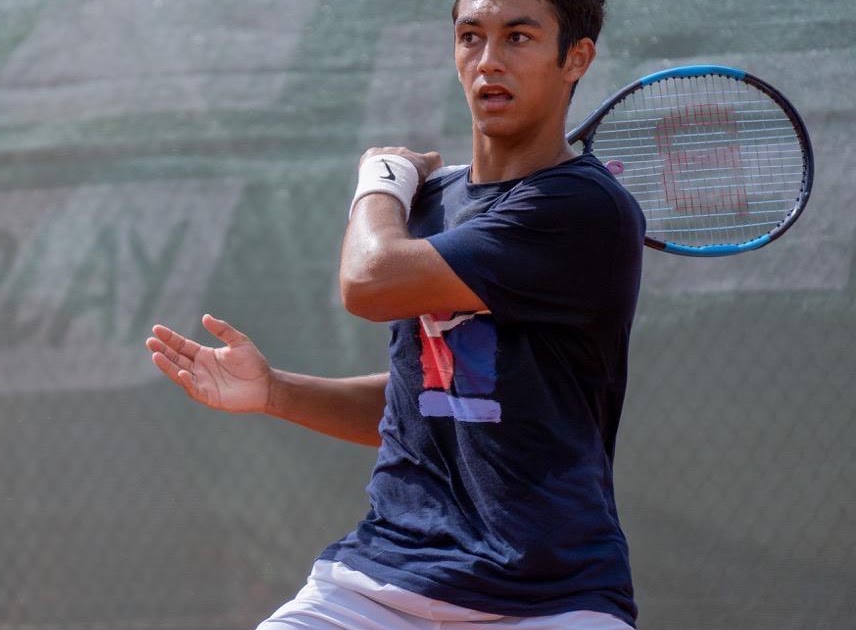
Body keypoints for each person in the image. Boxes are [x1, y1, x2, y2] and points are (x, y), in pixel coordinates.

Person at [145, 0, 645, 627]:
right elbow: (431, 397)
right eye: (471, 36)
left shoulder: (582, 208)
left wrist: (380, 179)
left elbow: (368, 281)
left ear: (575, 57)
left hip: (548, 598)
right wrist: (274, 391)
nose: (488, 61)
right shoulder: (430, 204)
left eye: (518, 37)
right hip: (376, 582)